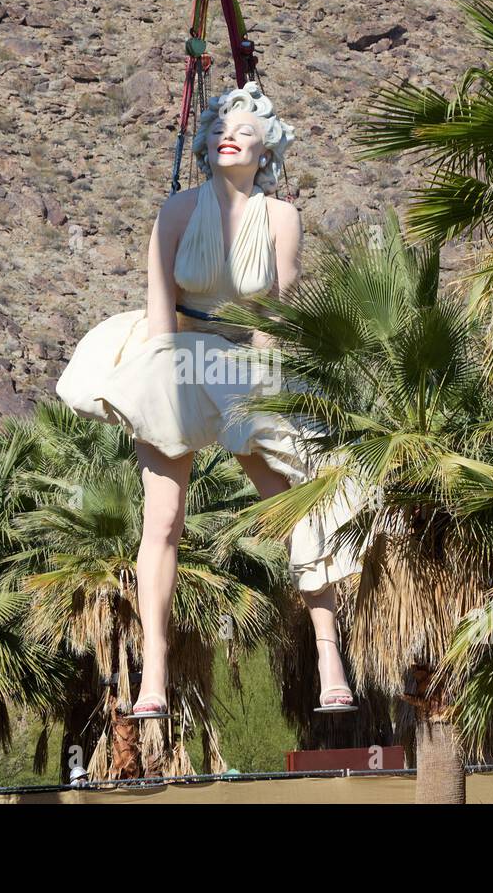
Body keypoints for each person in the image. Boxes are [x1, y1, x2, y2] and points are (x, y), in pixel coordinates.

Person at [56, 81, 359, 718]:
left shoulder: (281, 218)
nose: (230, 133)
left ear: (267, 150)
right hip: (177, 352)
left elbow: (276, 315)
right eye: (221, 122)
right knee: (162, 519)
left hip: (246, 354)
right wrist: (166, 378)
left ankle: (330, 652)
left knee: (291, 502)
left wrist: (261, 380)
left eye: (246, 129)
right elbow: (160, 308)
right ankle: (155, 674)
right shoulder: (176, 212)